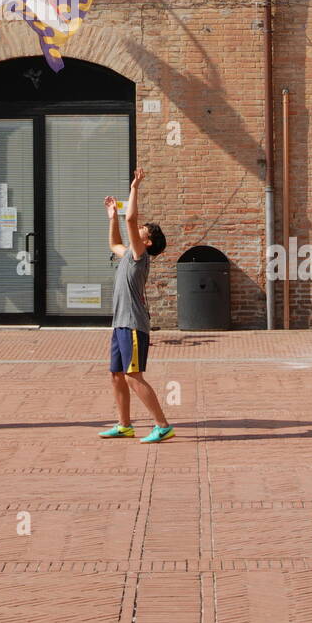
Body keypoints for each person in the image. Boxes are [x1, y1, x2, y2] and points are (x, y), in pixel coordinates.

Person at [99, 167, 174, 444]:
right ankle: (124, 425)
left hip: (133, 324)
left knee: (133, 376)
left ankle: (162, 425)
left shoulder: (141, 255)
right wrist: (111, 218)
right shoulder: (129, 254)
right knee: (116, 375)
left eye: (143, 230)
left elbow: (131, 217)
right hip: (120, 323)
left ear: (148, 241)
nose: (139, 228)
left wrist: (135, 187)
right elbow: (114, 243)